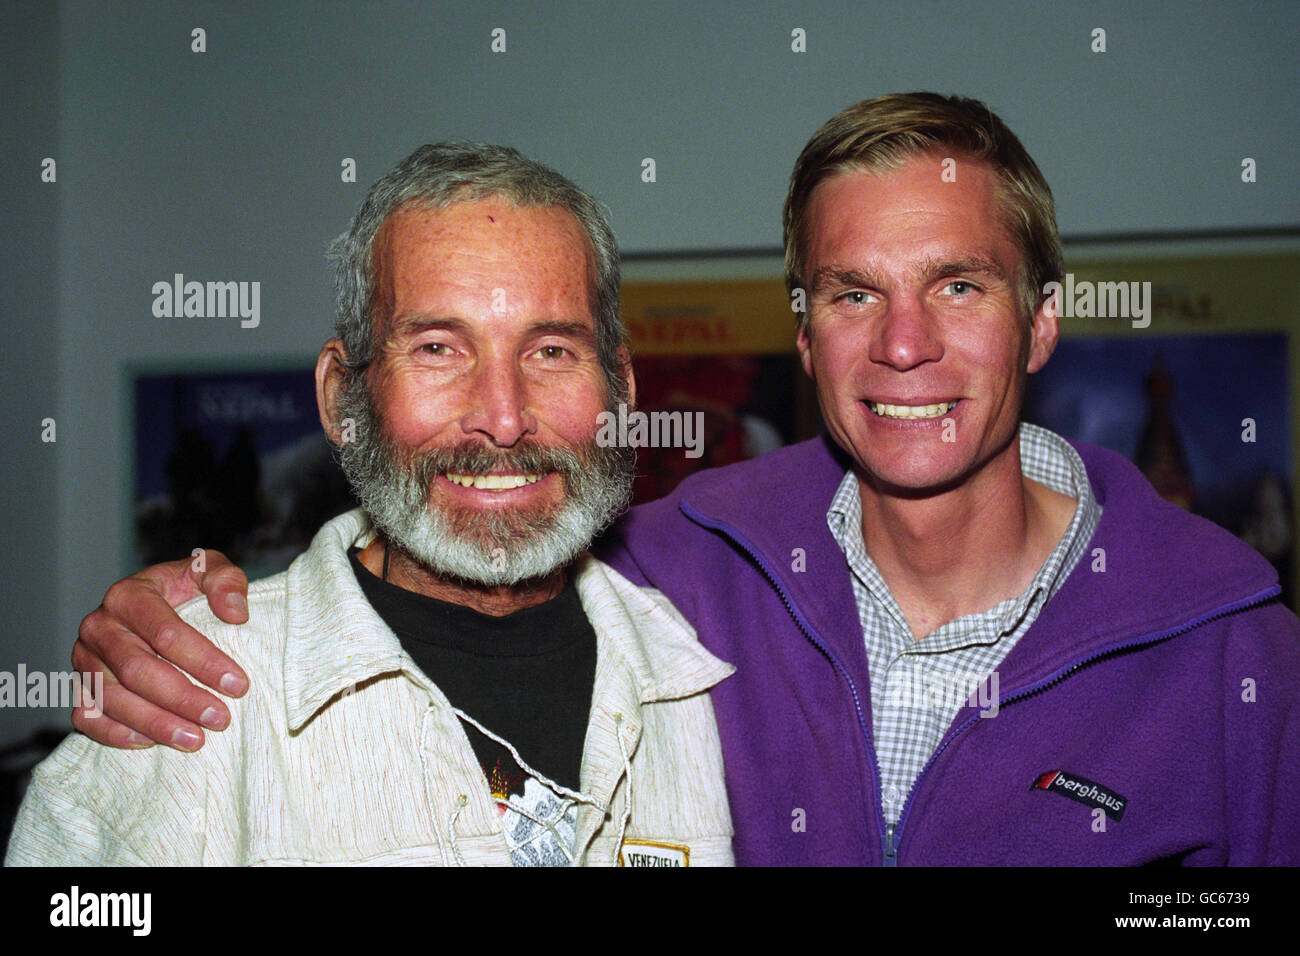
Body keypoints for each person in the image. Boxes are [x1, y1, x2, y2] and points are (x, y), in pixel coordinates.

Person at [63, 94, 1300, 866]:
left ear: (1039, 323)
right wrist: (178, 610)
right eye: (853, 292)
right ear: (803, 336)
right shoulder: (684, 571)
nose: (905, 344)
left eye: (958, 285)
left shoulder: (1239, 654)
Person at [6, 143, 735, 867]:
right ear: (341, 397)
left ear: (622, 391)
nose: (504, 419)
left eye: (550, 351)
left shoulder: (703, 684)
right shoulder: (191, 704)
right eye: (437, 349)